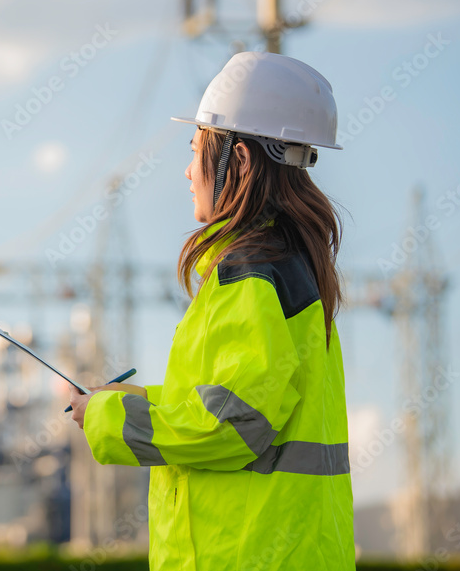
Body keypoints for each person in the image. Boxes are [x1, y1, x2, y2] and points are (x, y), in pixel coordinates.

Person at [68, 51, 355, 570]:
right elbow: (247, 401)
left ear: (239, 162)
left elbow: (233, 424)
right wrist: (139, 399)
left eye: (196, 148)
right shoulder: (289, 266)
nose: (186, 170)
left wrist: (110, 418)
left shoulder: (249, 271)